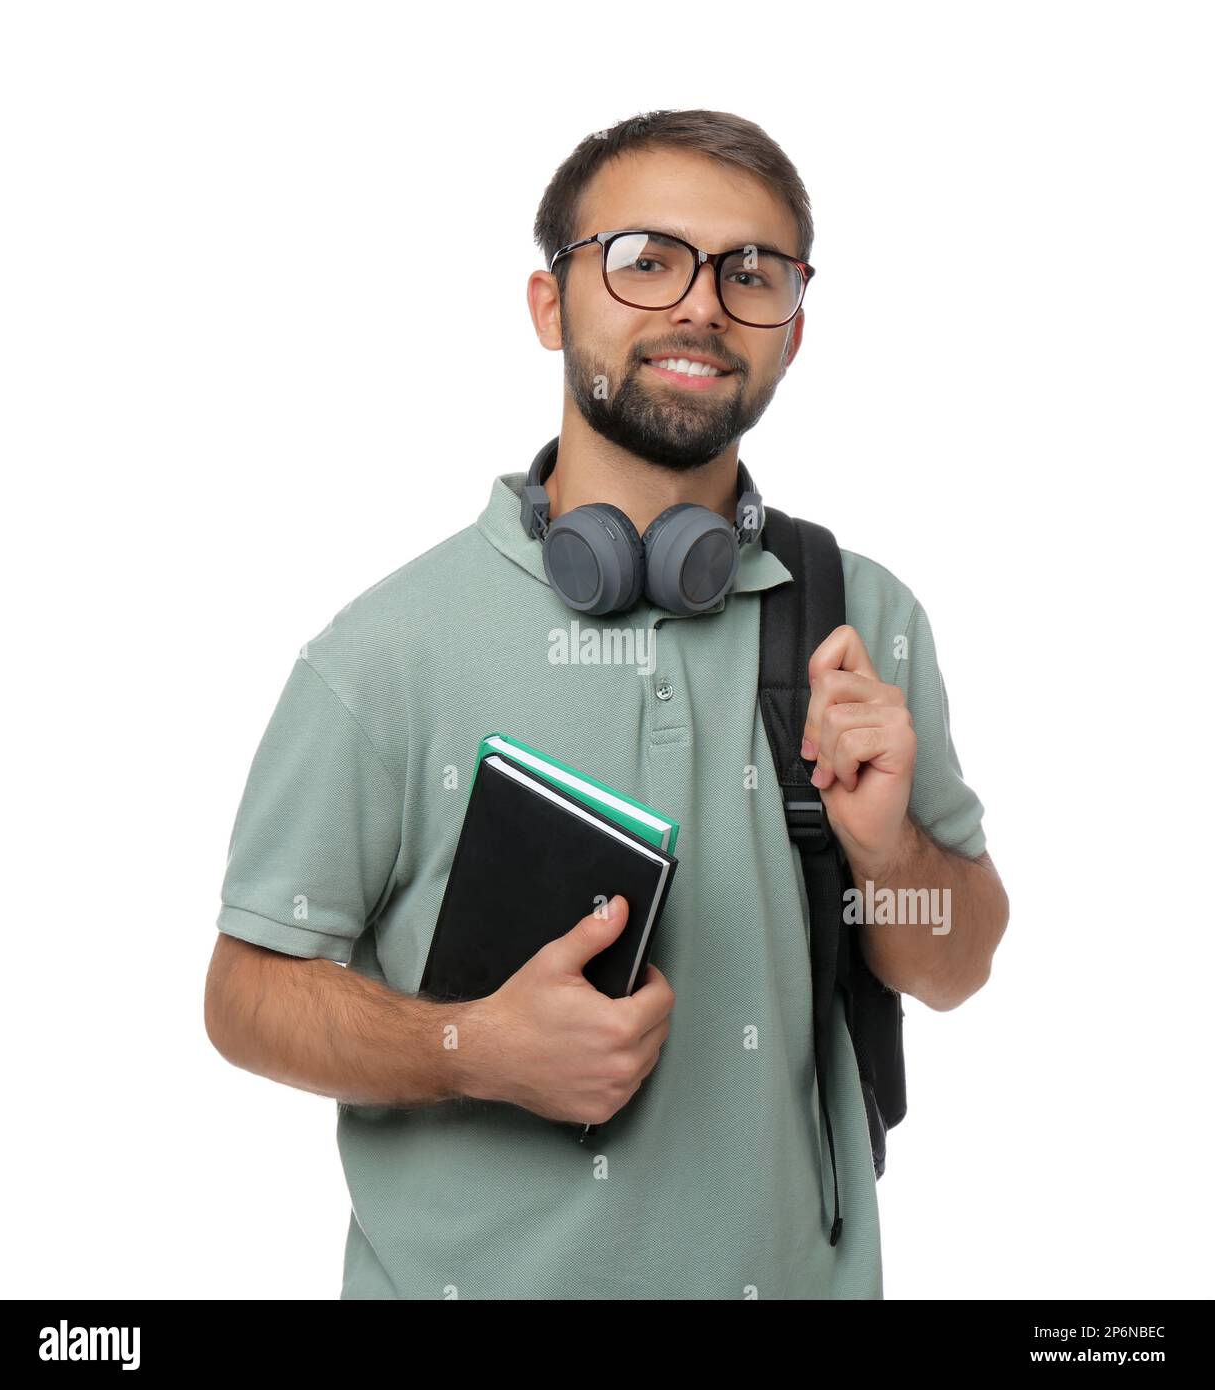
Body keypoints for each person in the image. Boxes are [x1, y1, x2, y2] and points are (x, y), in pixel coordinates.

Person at [205, 108, 1010, 1300]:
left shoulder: (858, 619)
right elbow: (244, 995)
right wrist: (467, 1048)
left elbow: (954, 966)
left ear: (792, 329)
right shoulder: (384, 650)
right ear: (547, 305)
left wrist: (884, 844)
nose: (699, 305)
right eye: (644, 258)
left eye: (751, 272)